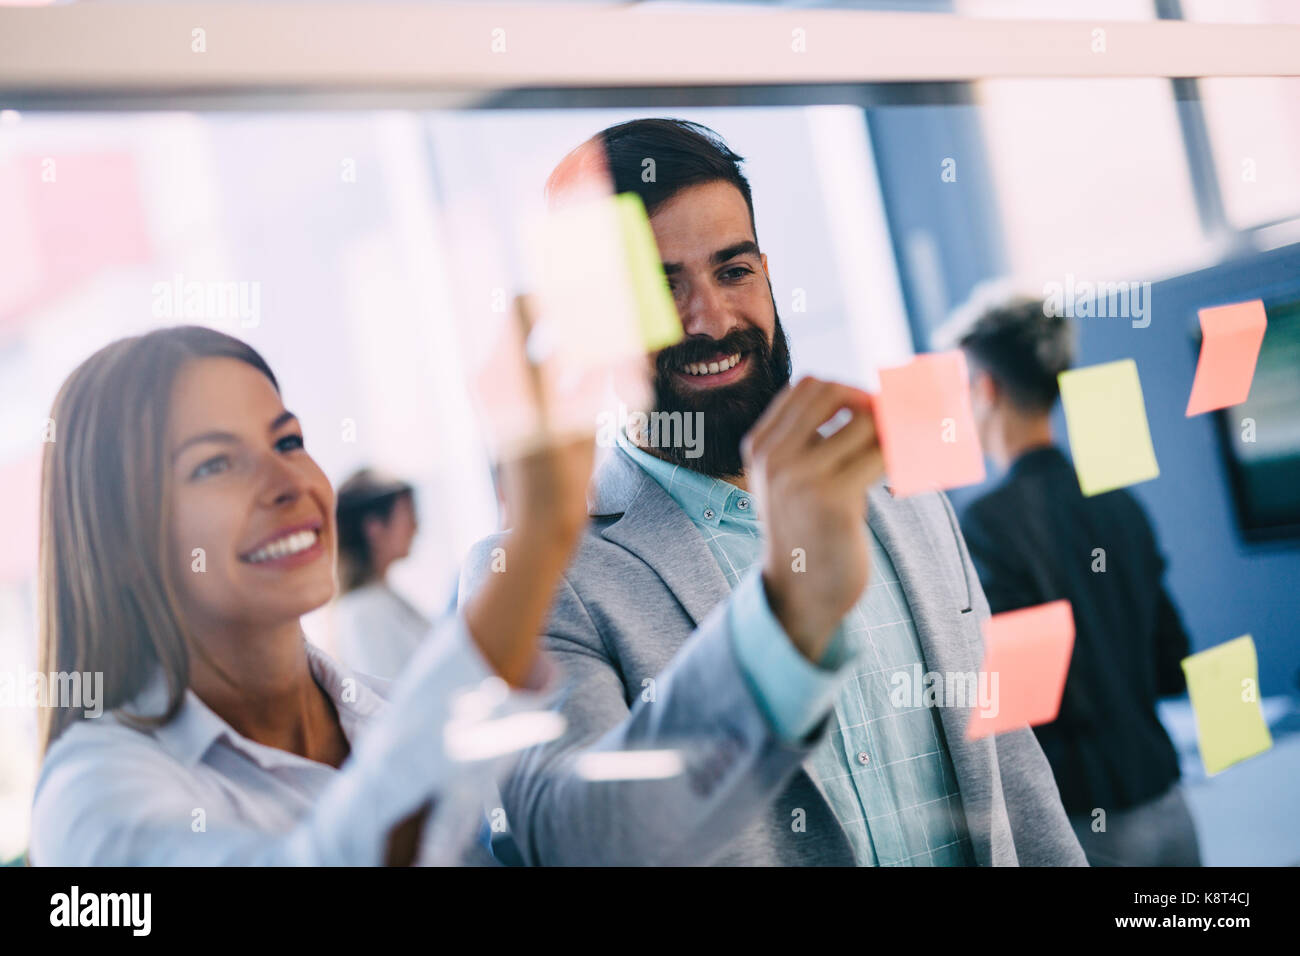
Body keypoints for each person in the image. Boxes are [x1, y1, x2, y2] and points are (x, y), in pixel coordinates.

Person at [461, 119, 1084, 866]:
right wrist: (785, 619)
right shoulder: (538, 578)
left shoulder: (899, 489)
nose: (713, 320)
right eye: (662, 288)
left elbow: (1012, 767)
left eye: (733, 271)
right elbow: (576, 841)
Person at [30, 325, 592, 865]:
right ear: (122, 541)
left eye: (287, 441)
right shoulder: (90, 796)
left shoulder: (388, 714)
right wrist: (536, 542)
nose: (289, 482)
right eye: (215, 464)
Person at [955, 294, 1200, 867]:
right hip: (1170, 809)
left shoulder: (988, 522)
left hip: (1090, 831)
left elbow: (1021, 699)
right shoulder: (1121, 503)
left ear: (985, 389)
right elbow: (1172, 661)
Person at [332, 469, 431, 680]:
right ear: (374, 528)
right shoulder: (362, 614)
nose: (416, 527)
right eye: (409, 516)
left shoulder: (383, 598)